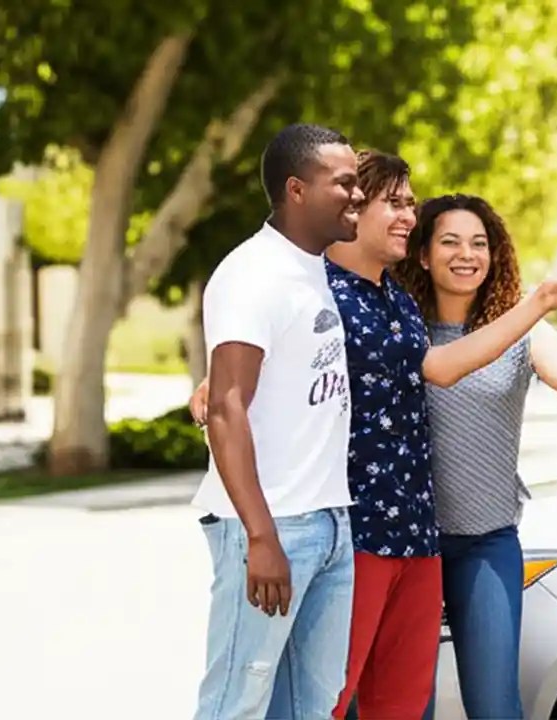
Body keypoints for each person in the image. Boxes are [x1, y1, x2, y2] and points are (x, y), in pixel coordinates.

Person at [192, 151, 557, 719]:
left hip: (414, 534)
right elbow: (259, 347)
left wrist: (541, 304)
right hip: (351, 533)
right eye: (395, 203)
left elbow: (444, 366)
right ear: (353, 210)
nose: (410, 215)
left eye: (410, 203)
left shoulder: (399, 300)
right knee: (316, 702)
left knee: (402, 707)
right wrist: (217, 376)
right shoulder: (313, 287)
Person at [394, 193, 557, 719]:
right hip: (410, 545)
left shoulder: (522, 330)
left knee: (496, 707)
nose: (466, 253)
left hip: (486, 542)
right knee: (407, 706)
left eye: (479, 243)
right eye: (449, 241)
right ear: (423, 254)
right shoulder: (401, 327)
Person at [191, 123, 364, 719]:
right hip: (269, 527)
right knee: (234, 705)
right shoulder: (253, 274)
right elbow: (226, 406)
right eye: (344, 183)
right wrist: (261, 537)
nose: (358, 195)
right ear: (296, 190)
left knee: (309, 709)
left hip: (328, 523)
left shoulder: (311, 269)